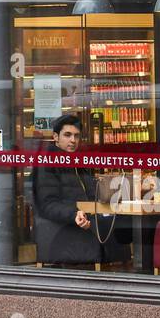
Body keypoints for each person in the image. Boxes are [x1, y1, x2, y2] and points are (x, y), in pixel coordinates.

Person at [32, 114, 129, 267]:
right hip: (66, 225)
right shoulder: (47, 163)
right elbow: (48, 204)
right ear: (56, 137)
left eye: (76, 136)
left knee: (123, 222)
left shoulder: (78, 161)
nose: (73, 140)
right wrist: (74, 214)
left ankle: (135, 268)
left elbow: (91, 193)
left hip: (87, 218)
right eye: (67, 135)